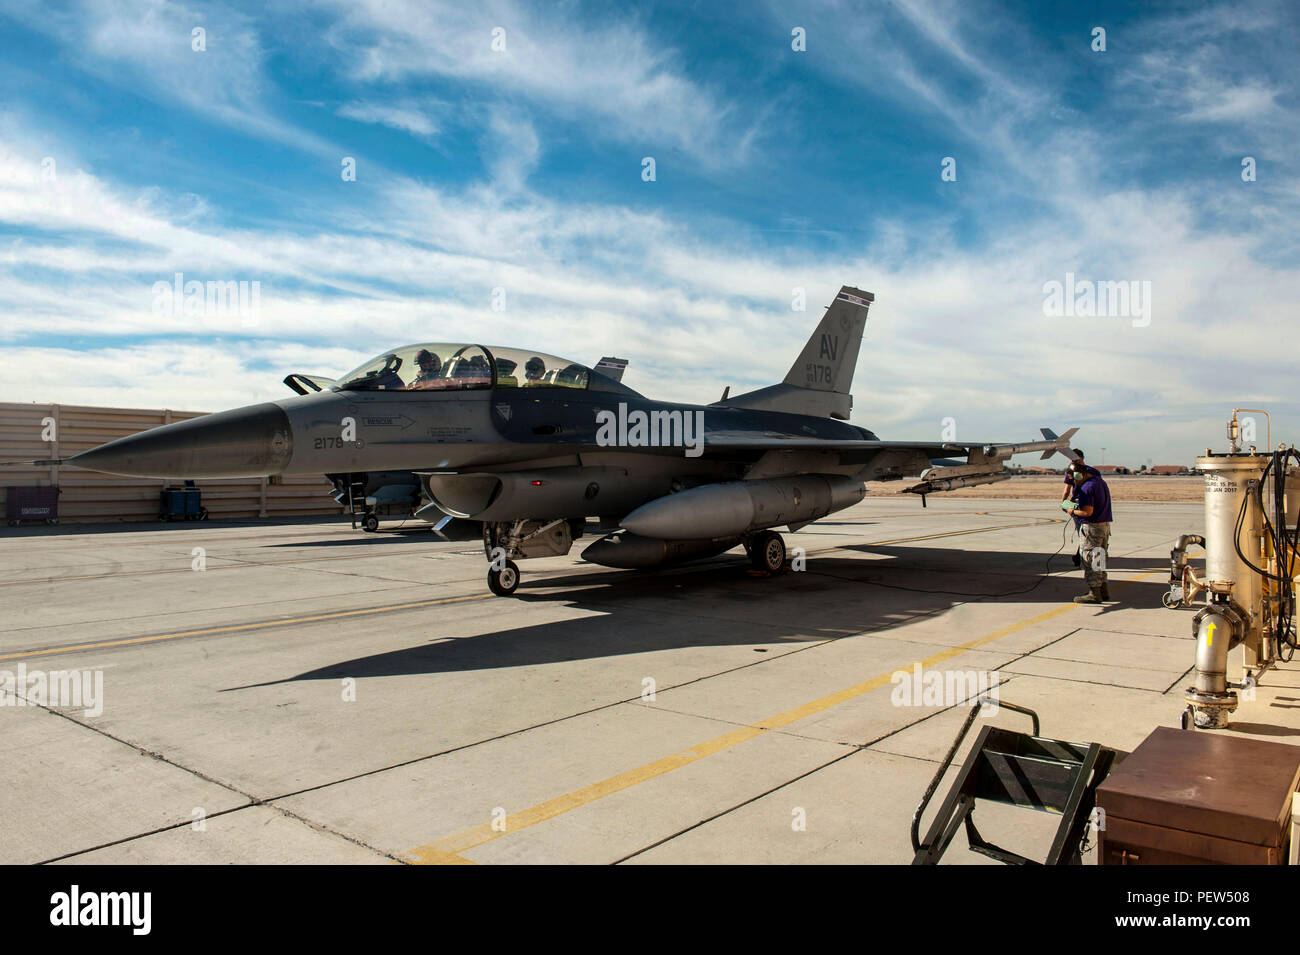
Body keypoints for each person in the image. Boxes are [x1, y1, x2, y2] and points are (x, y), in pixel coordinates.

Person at [1062, 461, 1113, 603]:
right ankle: (1103, 589)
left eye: (1073, 480)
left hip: (1091, 528)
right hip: (1103, 526)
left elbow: (1087, 512)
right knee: (1100, 559)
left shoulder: (1087, 488)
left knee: (1090, 559)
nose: (1074, 484)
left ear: (1078, 476)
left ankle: (1094, 593)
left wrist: (1071, 510)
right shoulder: (1099, 482)